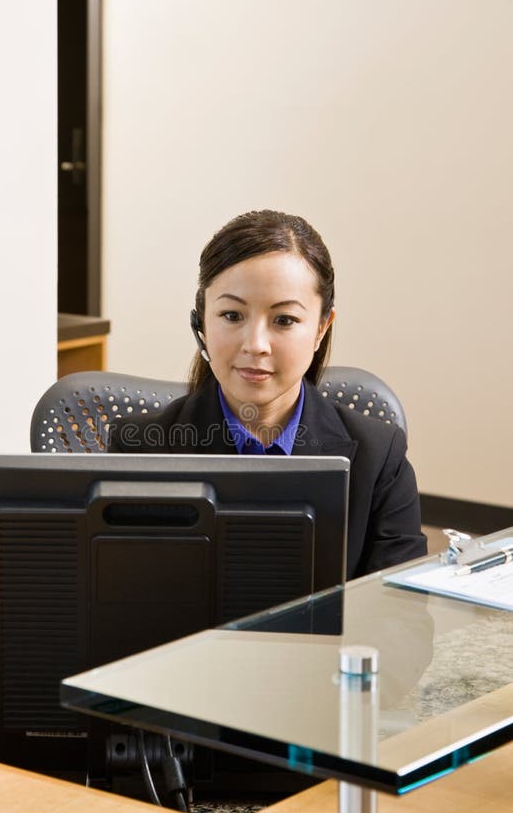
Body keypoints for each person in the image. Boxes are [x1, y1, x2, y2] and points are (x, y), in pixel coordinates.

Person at [110, 209, 427, 579]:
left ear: (322, 328)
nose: (256, 344)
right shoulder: (139, 452)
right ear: (202, 323)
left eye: (284, 320)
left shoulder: (379, 456)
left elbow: (402, 617)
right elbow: (122, 608)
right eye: (231, 315)